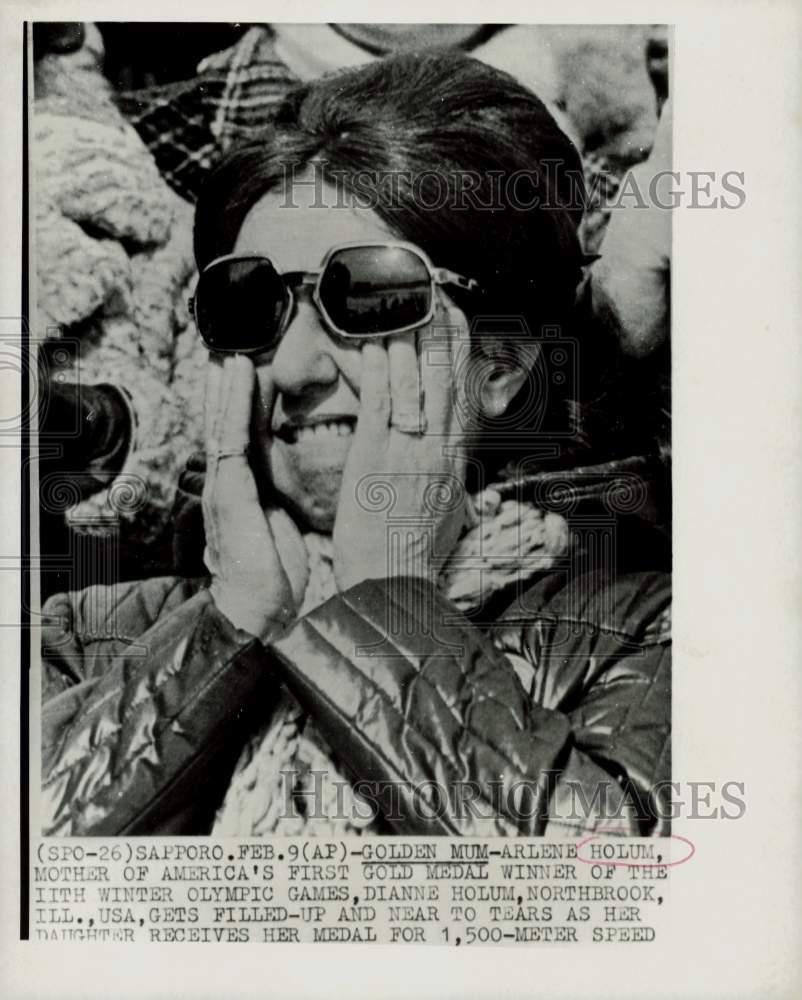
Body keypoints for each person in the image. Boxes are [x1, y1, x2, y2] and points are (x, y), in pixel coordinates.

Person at [40, 52, 670, 838]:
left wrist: (384, 605)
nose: (296, 368)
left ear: (501, 368)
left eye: (370, 297)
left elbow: (612, 907)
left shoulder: (657, 629)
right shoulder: (87, 634)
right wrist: (227, 629)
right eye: (251, 302)